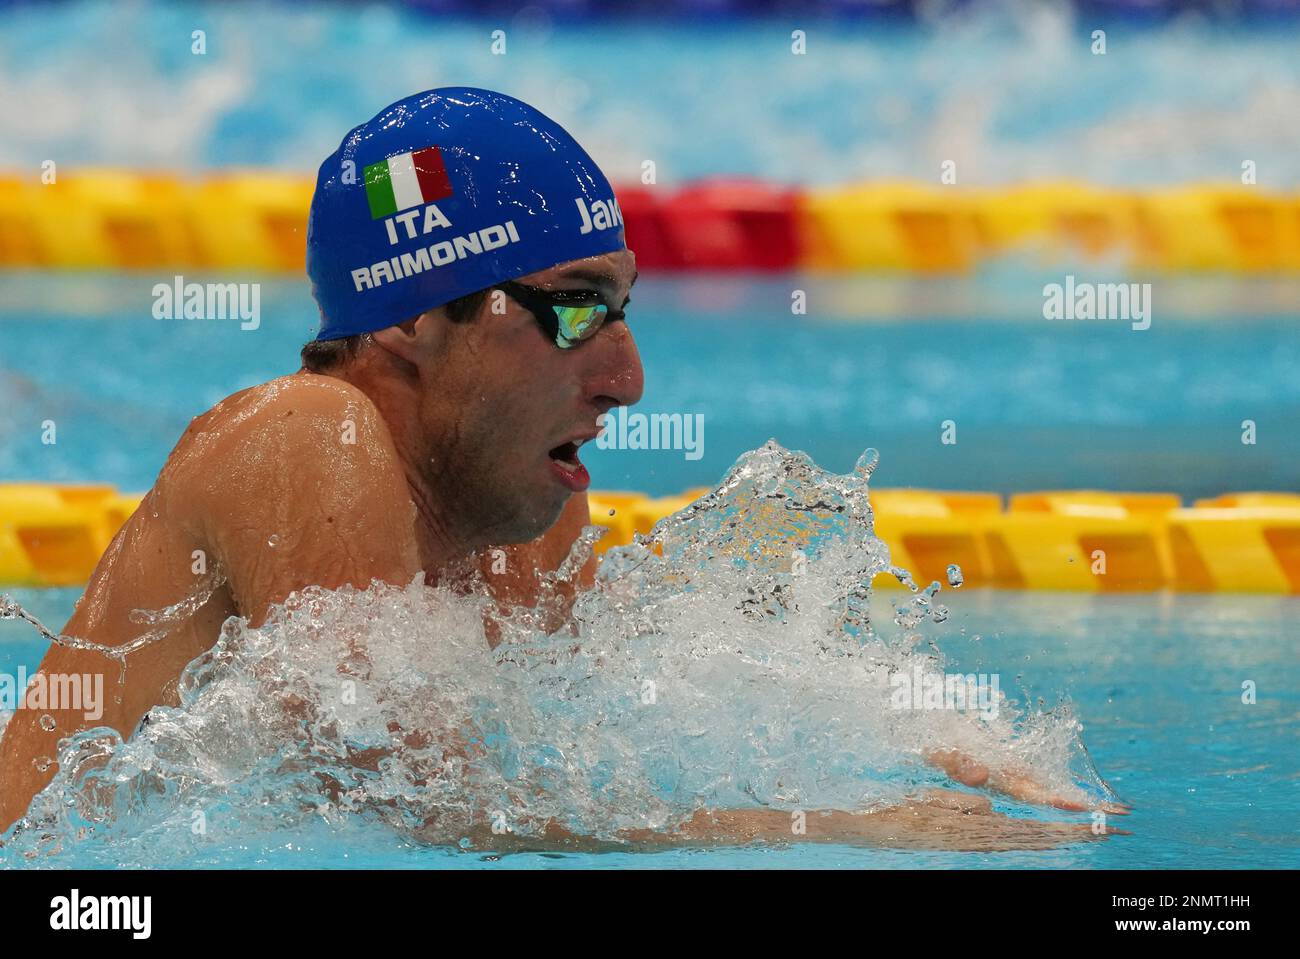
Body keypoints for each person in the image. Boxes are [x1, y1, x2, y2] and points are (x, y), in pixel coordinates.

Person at [0, 88, 1122, 847]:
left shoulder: (511, 519)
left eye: (623, 308)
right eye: (576, 310)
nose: (627, 378)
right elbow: (418, 801)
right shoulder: (308, 437)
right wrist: (839, 825)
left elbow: (663, 675)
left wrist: (914, 731)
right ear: (413, 318)